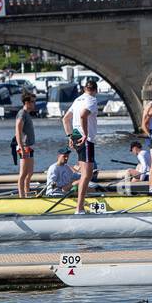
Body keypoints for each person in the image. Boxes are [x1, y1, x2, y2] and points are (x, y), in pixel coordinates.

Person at [62, 77, 101, 213]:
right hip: (86, 139)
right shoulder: (92, 100)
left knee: (84, 173)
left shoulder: (77, 100)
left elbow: (65, 119)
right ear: (96, 90)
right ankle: (79, 208)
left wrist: (70, 136)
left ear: (85, 89)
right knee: (87, 174)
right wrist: (85, 134)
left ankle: (79, 202)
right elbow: (84, 115)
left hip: (76, 136)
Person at [14, 92, 37, 198]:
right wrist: (21, 148)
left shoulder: (27, 114)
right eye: (32, 102)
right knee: (23, 173)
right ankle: (21, 195)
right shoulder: (22, 113)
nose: (34, 104)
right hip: (24, 147)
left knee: (30, 173)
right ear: (26, 102)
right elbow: (17, 131)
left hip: (30, 147)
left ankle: (27, 192)